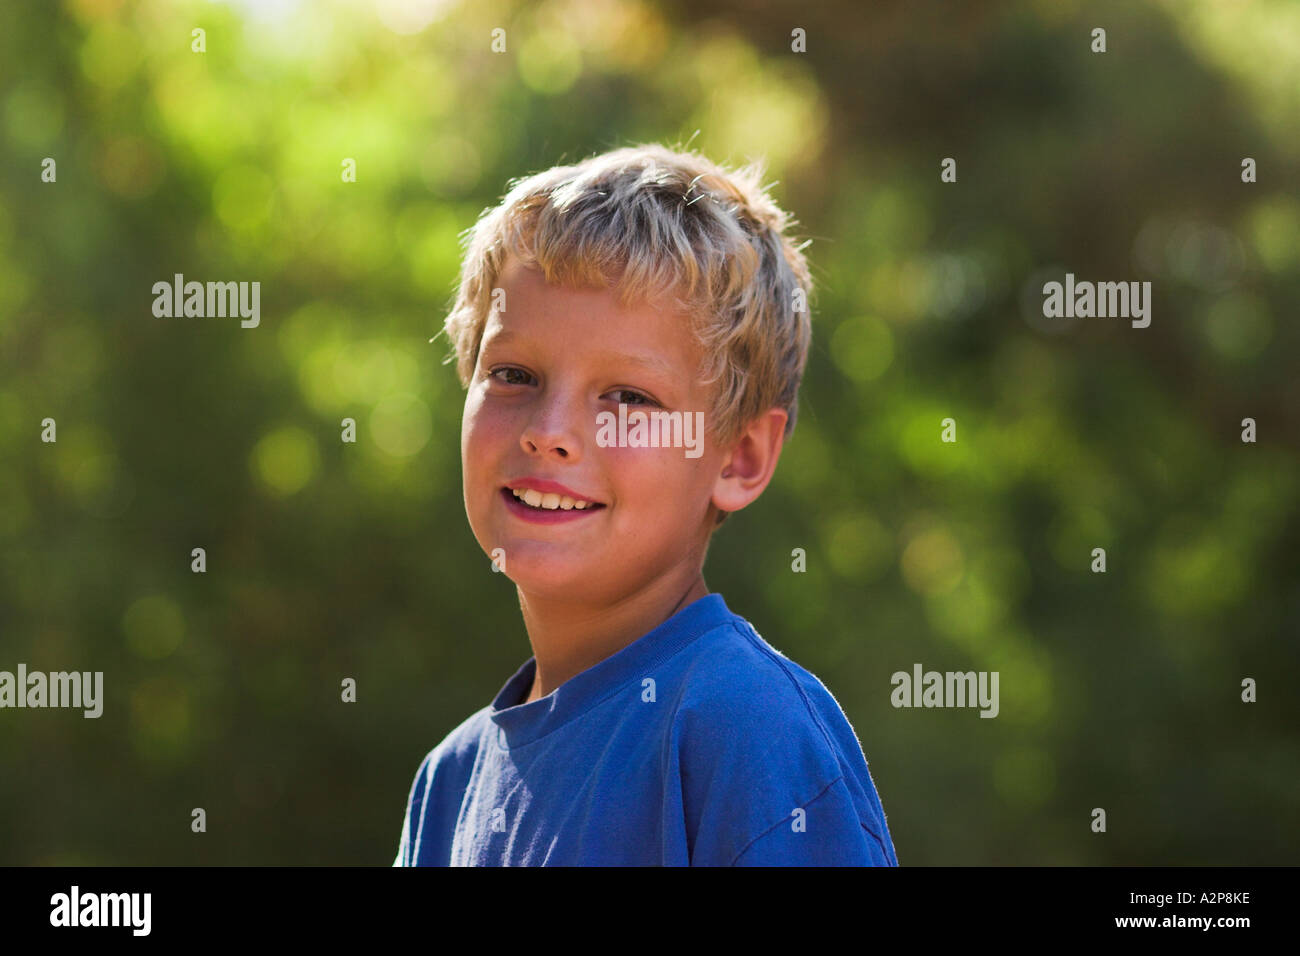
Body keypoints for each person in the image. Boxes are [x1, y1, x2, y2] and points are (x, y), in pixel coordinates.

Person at [393, 142, 898, 866]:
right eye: (513, 374)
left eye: (627, 397)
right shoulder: (448, 785)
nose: (549, 433)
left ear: (740, 457)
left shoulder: (745, 726)